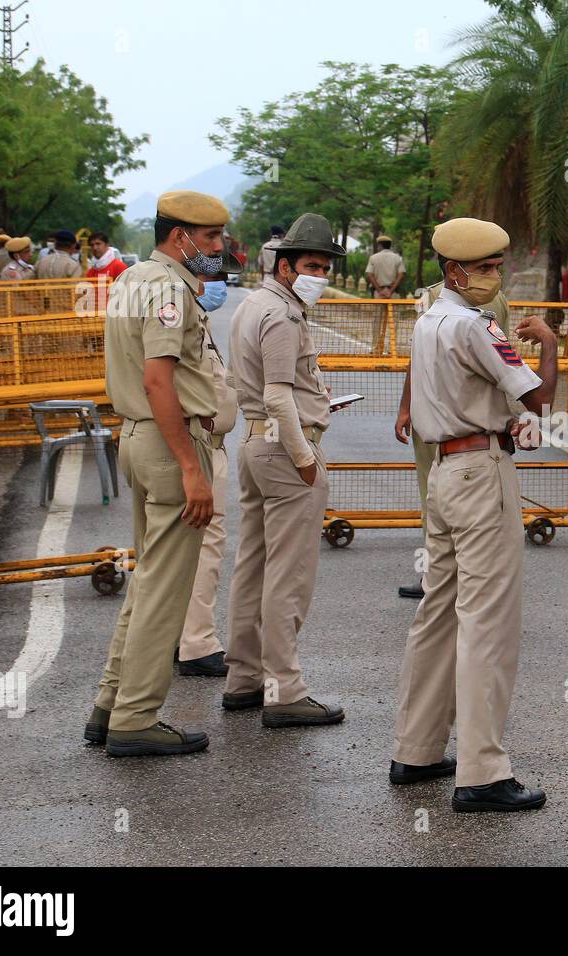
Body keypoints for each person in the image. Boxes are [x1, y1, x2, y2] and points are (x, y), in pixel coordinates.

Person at [389, 216, 558, 812]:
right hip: (481, 470)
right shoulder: (477, 325)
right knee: (488, 620)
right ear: (456, 270)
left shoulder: (431, 317)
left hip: (442, 472)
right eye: (486, 267)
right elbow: (538, 397)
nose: (496, 276)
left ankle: (416, 748)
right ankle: (482, 771)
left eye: (497, 266)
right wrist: (553, 345)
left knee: (439, 611)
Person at [85, 190, 226, 757]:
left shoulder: (131, 278)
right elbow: (158, 381)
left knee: (147, 580)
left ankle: (109, 705)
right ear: (179, 237)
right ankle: (135, 719)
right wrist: (193, 468)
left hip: (138, 438)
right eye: (211, 237)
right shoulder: (169, 288)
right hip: (170, 443)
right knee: (166, 592)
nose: (219, 248)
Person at [222, 213, 346, 728]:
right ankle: (284, 689)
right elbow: (277, 394)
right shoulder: (284, 317)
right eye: (312, 265)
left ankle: (244, 678)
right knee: (288, 576)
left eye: (326, 266)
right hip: (283, 453)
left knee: (253, 565)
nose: (320, 274)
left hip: (255, 445)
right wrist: (304, 459)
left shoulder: (256, 303)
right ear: (287, 265)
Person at [394, 280, 513, 600]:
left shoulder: (434, 297)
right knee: (483, 505)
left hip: (436, 414)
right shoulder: (498, 298)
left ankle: (434, 575)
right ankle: (470, 574)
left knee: (432, 495)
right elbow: (507, 359)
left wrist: (406, 406)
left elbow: (418, 355)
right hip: (482, 421)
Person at [175, 266, 240, 678]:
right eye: (215, 278)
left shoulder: (198, 318)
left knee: (186, 551)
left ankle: (178, 638)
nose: (218, 288)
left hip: (202, 444)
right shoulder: (183, 320)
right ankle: (195, 644)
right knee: (203, 548)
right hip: (195, 446)